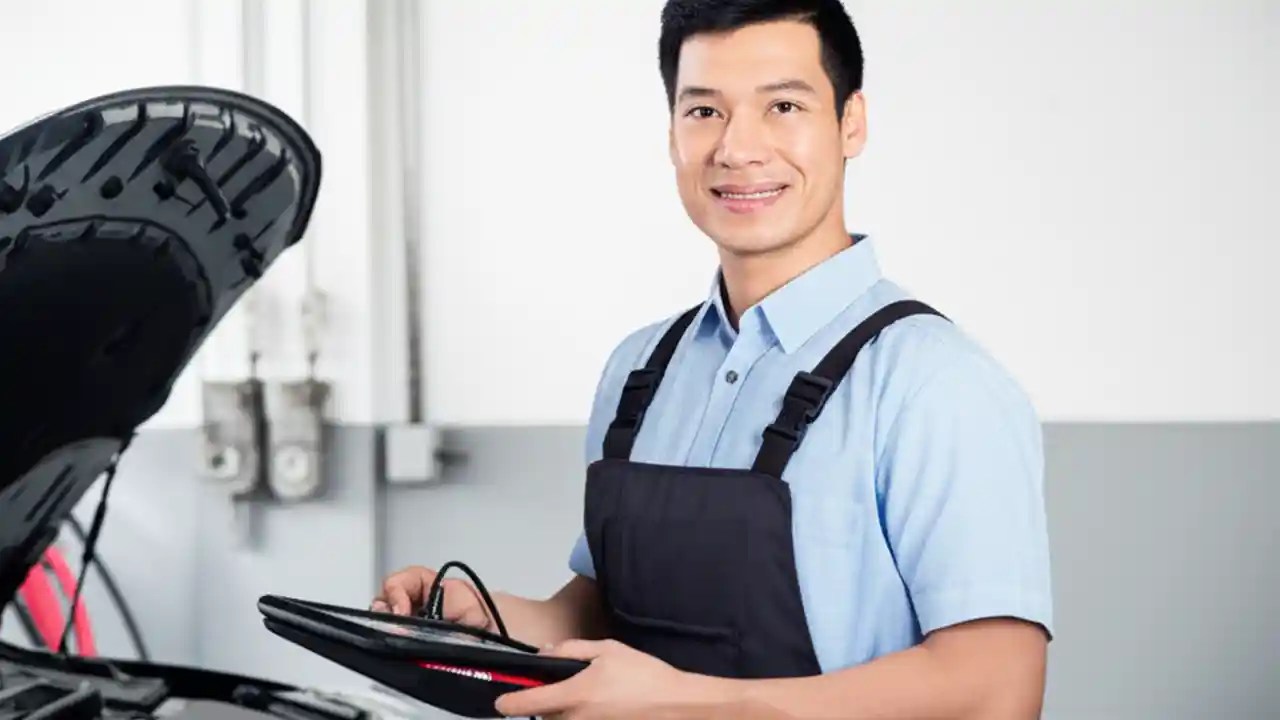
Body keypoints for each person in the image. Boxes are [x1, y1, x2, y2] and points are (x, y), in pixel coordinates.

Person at [372, 0, 1053, 716]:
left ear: (851, 122)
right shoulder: (640, 370)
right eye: (704, 112)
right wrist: (485, 617)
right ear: (671, 131)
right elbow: (610, 615)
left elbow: (997, 688)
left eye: (783, 105)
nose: (738, 148)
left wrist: (688, 704)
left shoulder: (935, 384)